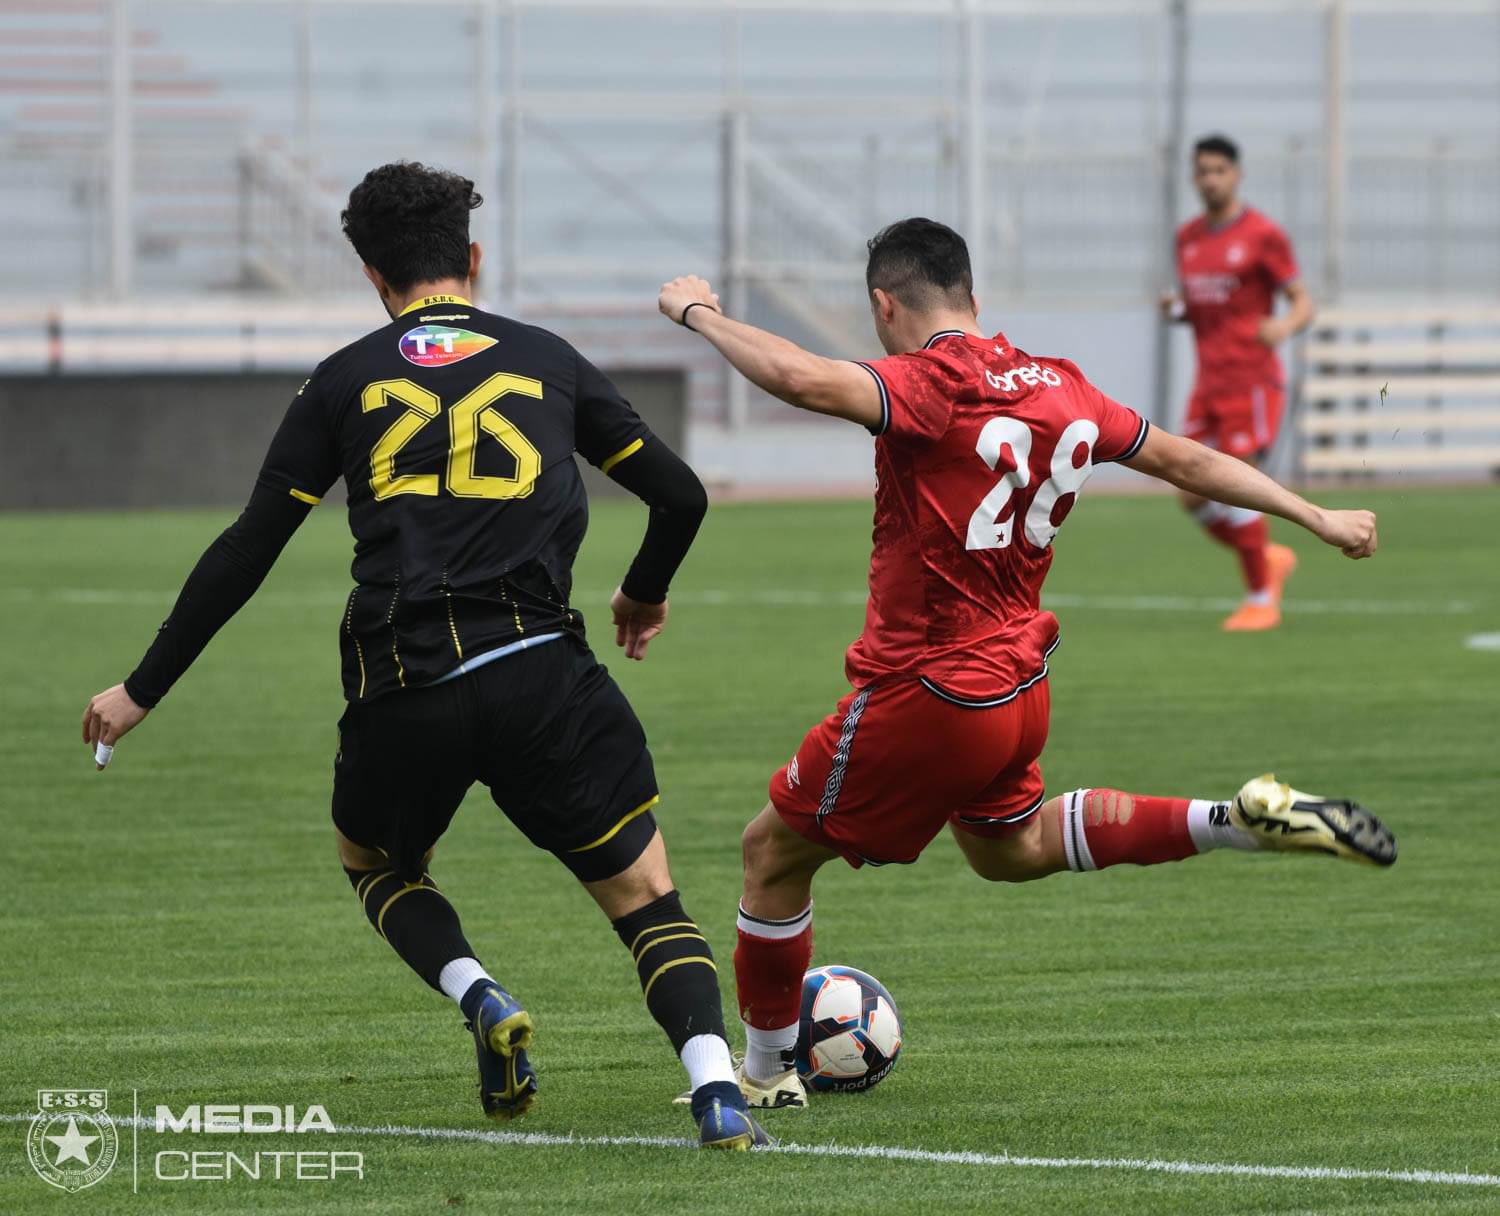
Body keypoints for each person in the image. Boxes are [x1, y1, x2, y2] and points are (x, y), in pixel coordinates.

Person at [80, 161, 768, 1150]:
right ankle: (714, 1087)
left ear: (372, 275)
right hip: (541, 667)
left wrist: (141, 688)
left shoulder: (345, 379)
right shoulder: (549, 360)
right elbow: (683, 495)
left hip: (403, 677)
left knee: (376, 860)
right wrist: (643, 591)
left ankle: (483, 994)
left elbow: (247, 548)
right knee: (645, 896)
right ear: (473, 257)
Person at [657, 217, 1394, 1111]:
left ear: (885, 305)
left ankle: (769, 1073)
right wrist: (1314, 516)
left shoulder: (929, 383)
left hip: (930, 689)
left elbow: (799, 377)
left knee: (771, 854)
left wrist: (699, 313)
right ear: (975, 295)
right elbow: (1186, 458)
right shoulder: (1061, 385)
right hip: (1018, 683)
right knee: (1012, 849)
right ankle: (1235, 819)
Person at [1163, 134, 1316, 631]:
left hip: (1251, 381)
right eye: (1202, 170)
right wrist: (1179, 310)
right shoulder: (1187, 238)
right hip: (1208, 381)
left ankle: (1259, 597)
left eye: (1218, 170)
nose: (1209, 179)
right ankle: (1268, 557)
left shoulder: (1262, 235)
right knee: (1189, 492)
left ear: (1236, 175)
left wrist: (1283, 327)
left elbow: (1302, 301)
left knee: (1237, 484)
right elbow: (1209, 309)